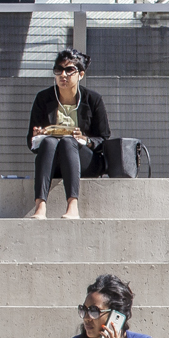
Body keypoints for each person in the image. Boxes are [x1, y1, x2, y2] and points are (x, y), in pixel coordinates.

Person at [26, 50, 109, 220]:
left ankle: (72, 206)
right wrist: (37, 137)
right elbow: (31, 143)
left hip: (83, 161)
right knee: (48, 142)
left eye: (69, 70)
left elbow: (104, 139)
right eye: (58, 70)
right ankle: (40, 206)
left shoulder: (93, 99)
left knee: (67, 142)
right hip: (54, 161)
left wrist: (85, 140)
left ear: (81, 74)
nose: (63, 75)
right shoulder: (43, 98)